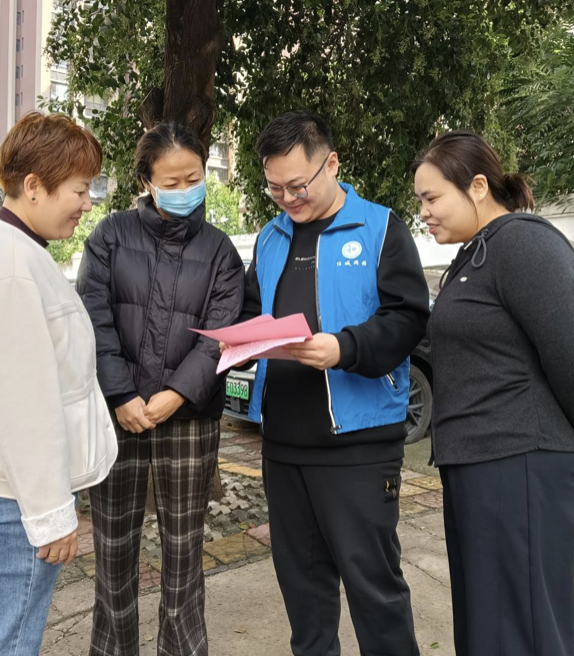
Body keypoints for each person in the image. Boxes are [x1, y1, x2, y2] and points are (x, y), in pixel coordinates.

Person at [412, 130, 574, 656]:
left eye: (432, 197)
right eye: (420, 200)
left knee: (525, 632)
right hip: (480, 468)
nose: (424, 212)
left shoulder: (526, 243)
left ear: (478, 186)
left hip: (520, 467)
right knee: (489, 631)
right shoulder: (474, 256)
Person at [236, 111, 430, 655]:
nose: (287, 199)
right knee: (305, 597)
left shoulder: (380, 227)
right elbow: (255, 313)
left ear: (332, 164)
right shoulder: (272, 239)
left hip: (358, 447)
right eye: (274, 188)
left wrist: (345, 347)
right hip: (284, 447)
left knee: (375, 592)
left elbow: (409, 317)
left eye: (298, 185)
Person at [0, 112, 118, 655]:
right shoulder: (9, 268)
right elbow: (23, 405)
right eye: (81, 190)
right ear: (34, 186)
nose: (88, 204)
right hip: (13, 496)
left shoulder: (6, 248)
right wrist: (51, 516)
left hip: (2, 484)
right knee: (4, 642)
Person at [78, 122, 244, 656]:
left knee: (183, 550)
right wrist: (121, 395)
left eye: (193, 177)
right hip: (117, 415)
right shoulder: (109, 235)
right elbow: (92, 319)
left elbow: (222, 334)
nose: (185, 189)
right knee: (114, 546)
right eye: (170, 181)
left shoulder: (220, 250)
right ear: (147, 181)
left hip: (189, 417)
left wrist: (176, 392)